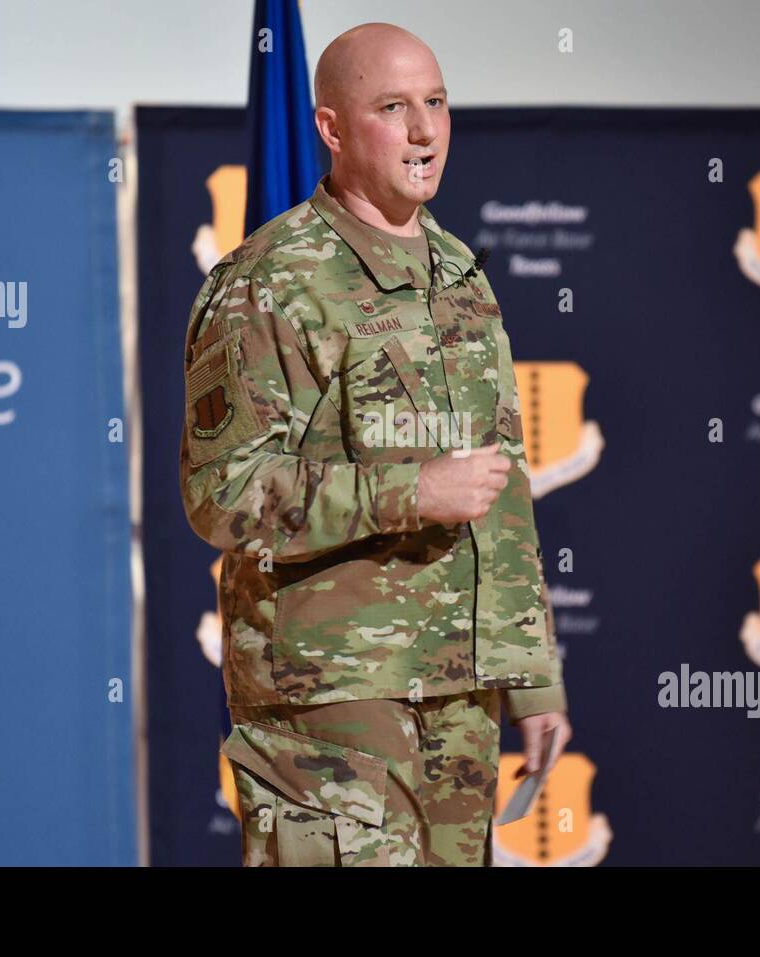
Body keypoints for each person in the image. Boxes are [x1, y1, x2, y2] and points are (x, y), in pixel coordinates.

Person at [179, 21, 571, 866]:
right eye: (394, 108)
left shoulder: (461, 274)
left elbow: (501, 490)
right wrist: (409, 492)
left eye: (435, 103)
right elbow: (222, 492)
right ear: (331, 128)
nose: (425, 131)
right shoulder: (269, 281)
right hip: (329, 704)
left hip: (461, 698)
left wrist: (530, 675)